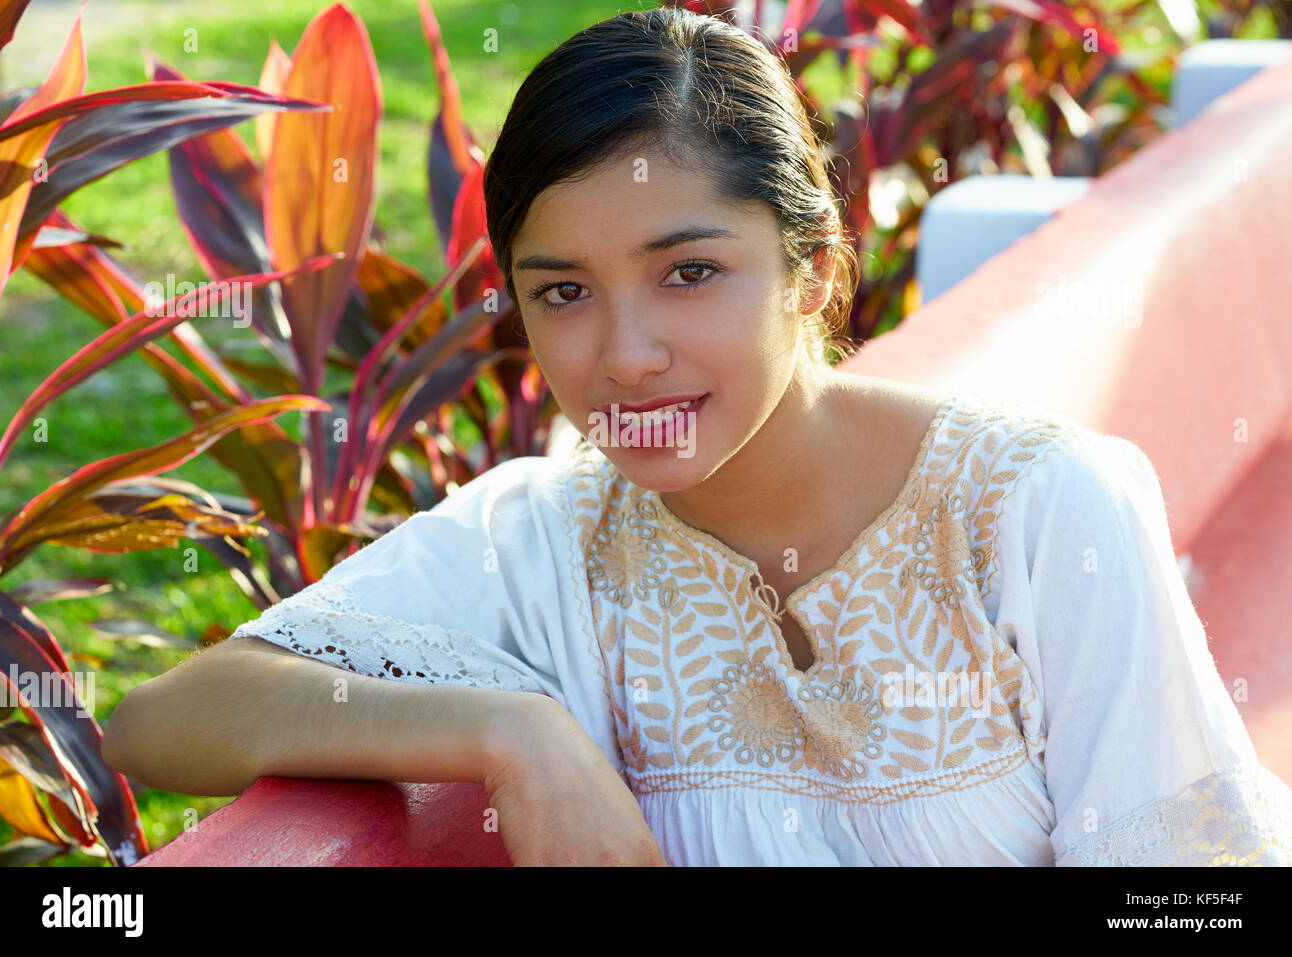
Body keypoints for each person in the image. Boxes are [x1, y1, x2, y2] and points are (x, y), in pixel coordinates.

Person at [102, 5, 1292, 866]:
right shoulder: (544, 541)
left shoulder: (1039, 510)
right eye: (562, 291)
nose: (622, 354)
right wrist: (509, 732)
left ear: (813, 275)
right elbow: (163, 721)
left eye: (687, 273)